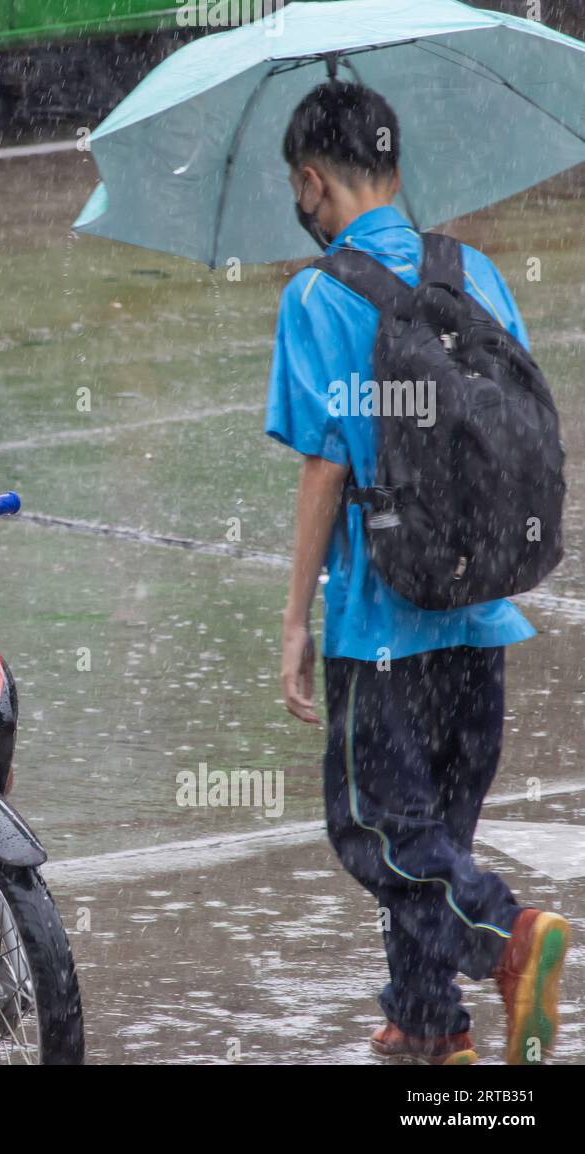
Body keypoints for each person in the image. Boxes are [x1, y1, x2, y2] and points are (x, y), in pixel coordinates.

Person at [268, 81, 569, 1066]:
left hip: (382, 619)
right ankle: (427, 1021)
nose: (301, 213)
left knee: (375, 831)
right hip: (479, 615)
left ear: (313, 180)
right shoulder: (473, 269)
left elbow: (325, 465)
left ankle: (509, 938)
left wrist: (294, 622)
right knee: (435, 836)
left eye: (298, 194)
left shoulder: (315, 297)